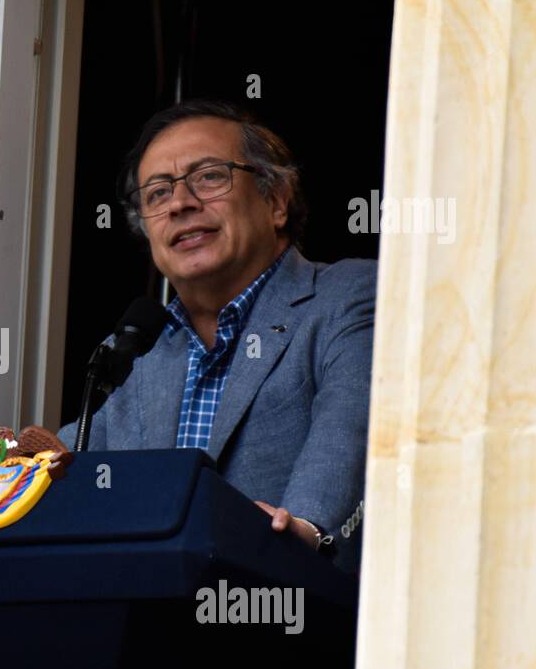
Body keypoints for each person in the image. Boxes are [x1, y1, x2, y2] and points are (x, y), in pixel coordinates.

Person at [59, 100, 376, 575]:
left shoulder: (347, 296)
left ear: (276, 200)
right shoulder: (142, 352)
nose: (180, 203)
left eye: (209, 177)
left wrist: (307, 528)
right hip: (152, 629)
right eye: (157, 193)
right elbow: (58, 462)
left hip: (295, 622)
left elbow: (349, 430)